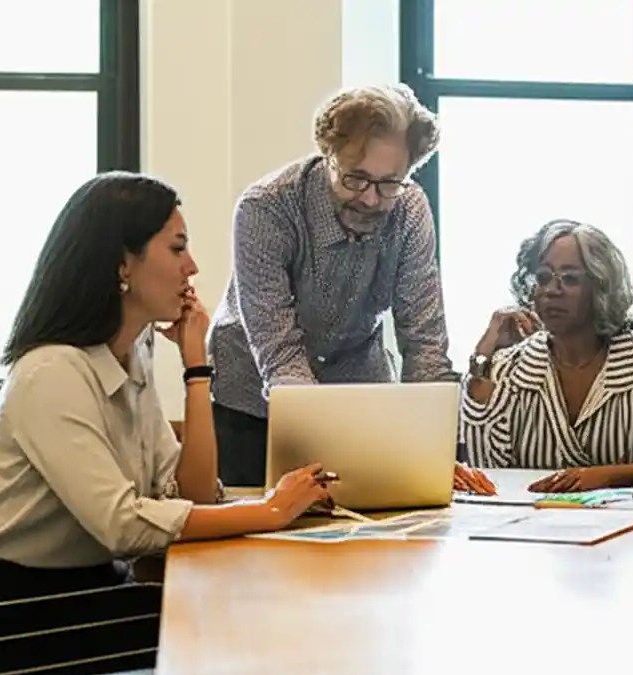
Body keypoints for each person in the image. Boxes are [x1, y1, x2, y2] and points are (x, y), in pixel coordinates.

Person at [0, 172, 334, 675]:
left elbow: (192, 496)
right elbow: (122, 525)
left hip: (81, 601)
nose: (192, 268)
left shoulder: (125, 356)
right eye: (178, 248)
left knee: (248, 624)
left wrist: (197, 369)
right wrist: (270, 510)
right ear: (122, 264)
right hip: (7, 630)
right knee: (237, 641)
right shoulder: (52, 374)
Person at [207, 83, 488, 493]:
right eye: (355, 179)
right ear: (328, 157)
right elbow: (280, 354)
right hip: (253, 399)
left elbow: (424, 341)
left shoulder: (409, 208)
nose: (372, 199)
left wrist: (436, 448)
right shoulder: (266, 207)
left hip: (359, 387)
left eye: (390, 183)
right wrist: (323, 444)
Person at [462, 219, 633, 492]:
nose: (551, 290)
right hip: (534, 525)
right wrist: (482, 355)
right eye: (543, 277)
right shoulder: (509, 367)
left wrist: (607, 476)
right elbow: (486, 475)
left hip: (627, 527)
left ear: (600, 289)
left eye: (570, 279)